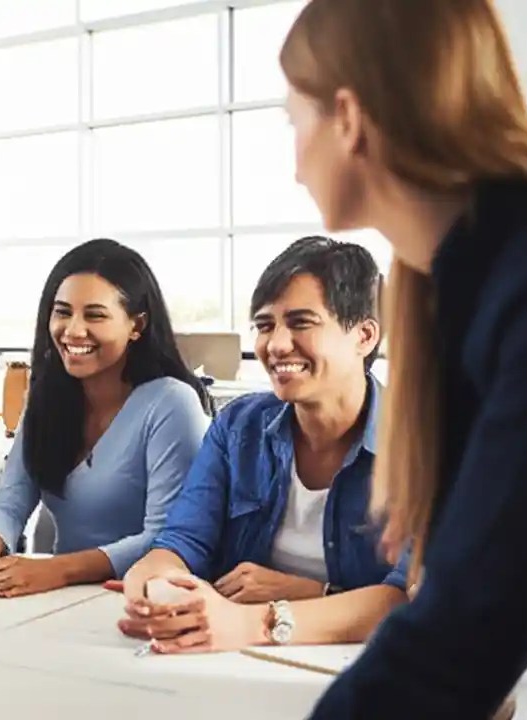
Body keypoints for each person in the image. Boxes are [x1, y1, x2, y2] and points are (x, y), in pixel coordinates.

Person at [274, 1, 527, 717]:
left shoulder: (519, 294)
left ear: (350, 119)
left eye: (294, 121)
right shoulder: (463, 288)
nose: (294, 160)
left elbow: (461, 643)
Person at [120, 237, 409, 654]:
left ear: (363, 336)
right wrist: (159, 590)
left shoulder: (420, 445)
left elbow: (404, 597)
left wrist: (269, 614)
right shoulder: (239, 427)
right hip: (239, 660)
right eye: (264, 325)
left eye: (301, 322)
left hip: (361, 667)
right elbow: (179, 544)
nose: (275, 345)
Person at [0, 239, 211, 598]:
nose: (73, 330)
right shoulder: (46, 397)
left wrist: (57, 569)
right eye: (63, 312)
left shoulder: (171, 403)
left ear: (137, 325)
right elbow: (10, 500)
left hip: (138, 600)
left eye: (95, 315)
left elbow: (167, 539)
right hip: (58, 597)